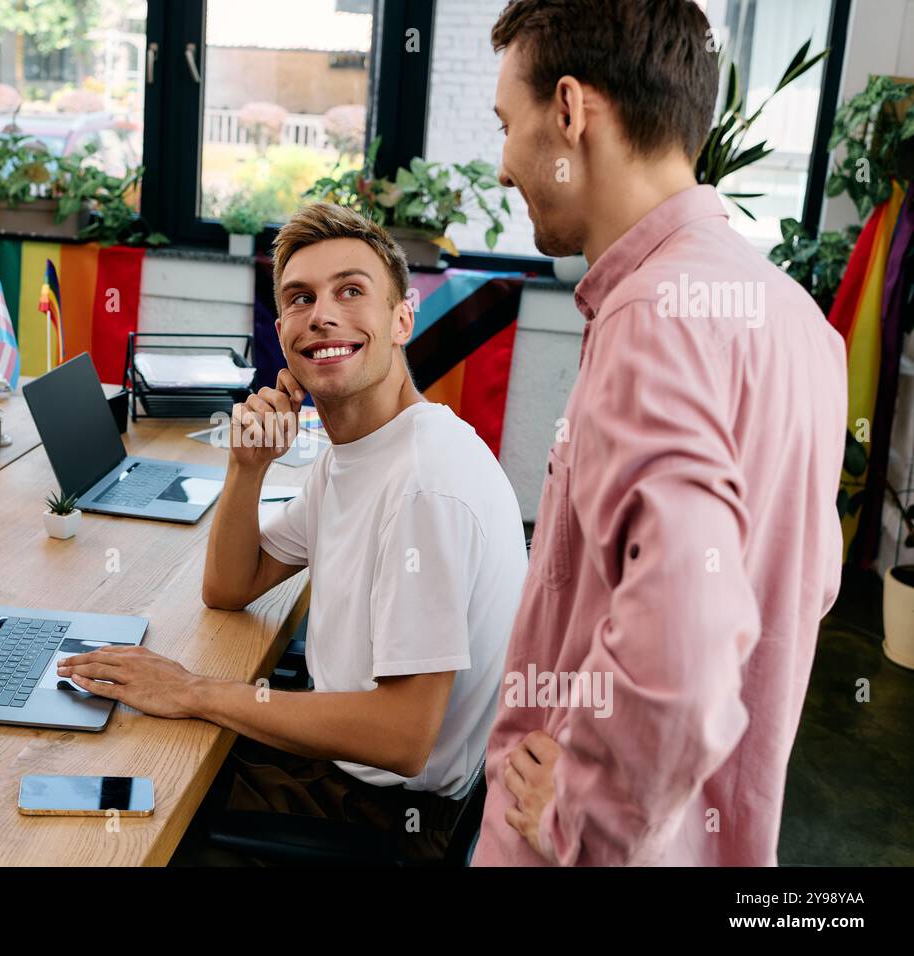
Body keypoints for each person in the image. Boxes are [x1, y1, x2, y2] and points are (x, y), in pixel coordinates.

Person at [476, 0, 848, 866]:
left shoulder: (651, 315)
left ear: (569, 110)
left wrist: (580, 823)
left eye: (508, 124)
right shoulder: (796, 318)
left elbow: (689, 630)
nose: (502, 166)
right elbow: (802, 581)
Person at [59, 202, 527, 862]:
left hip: (379, 816)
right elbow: (230, 585)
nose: (324, 314)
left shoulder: (425, 484)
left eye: (351, 291)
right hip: (340, 771)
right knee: (124, 741)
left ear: (402, 319)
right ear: (282, 331)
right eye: (301, 299)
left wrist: (193, 689)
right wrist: (246, 466)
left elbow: (401, 736)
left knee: (108, 804)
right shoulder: (356, 451)